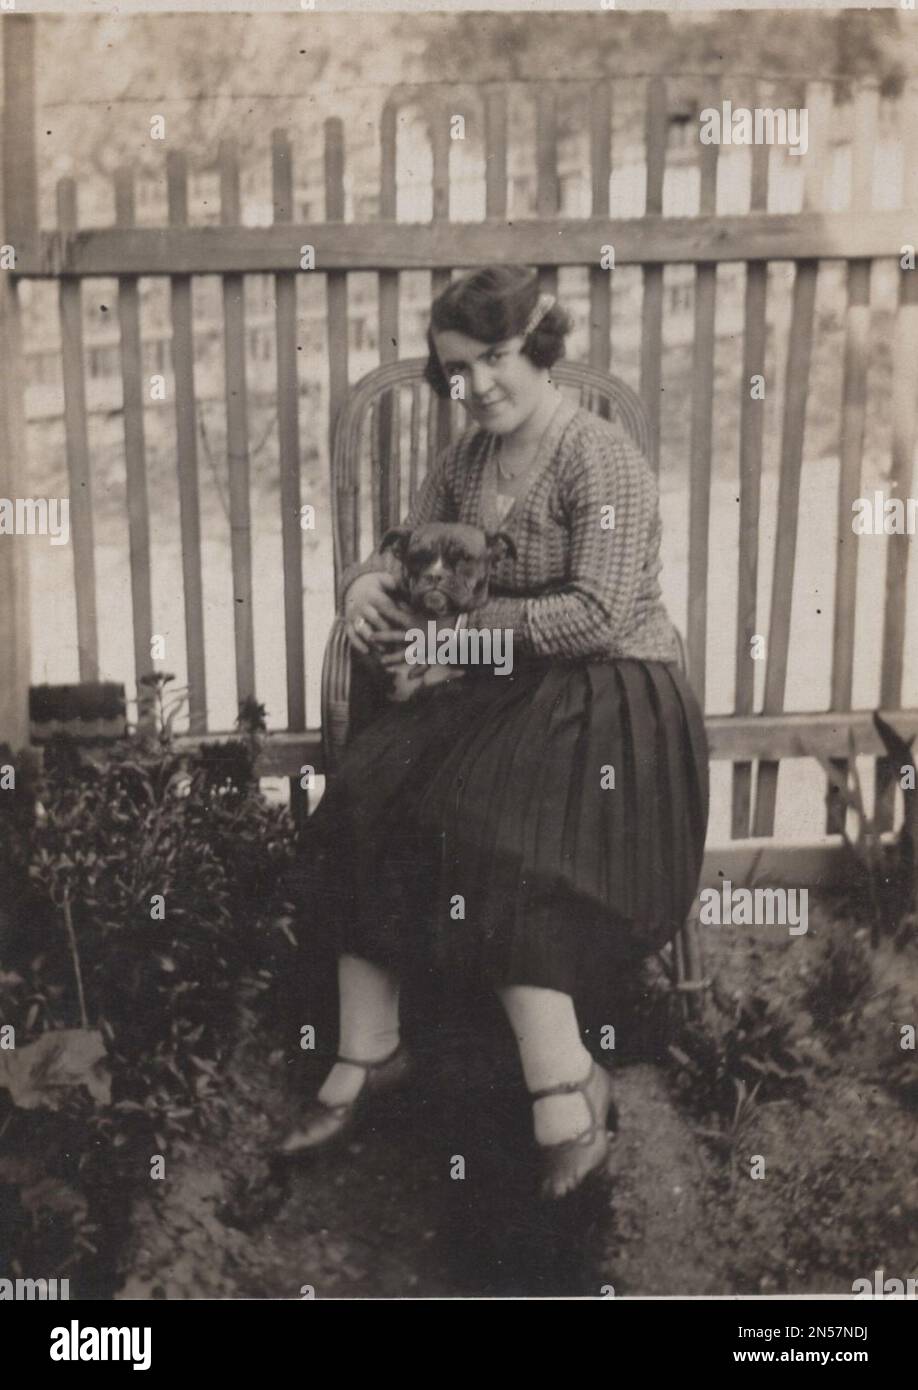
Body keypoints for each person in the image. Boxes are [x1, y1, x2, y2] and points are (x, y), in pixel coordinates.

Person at [275, 264, 709, 1199]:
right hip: (499, 686)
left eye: (496, 359)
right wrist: (361, 587)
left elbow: (595, 613)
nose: (478, 387)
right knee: (367, 788)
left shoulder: (601, 459)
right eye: (458, 371)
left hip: (611, 698)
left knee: (498, 829)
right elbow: (404, 541)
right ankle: (370, 1052)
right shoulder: (470, 458)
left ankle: (569, 1084)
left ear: (536, 348)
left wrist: (457, 638)